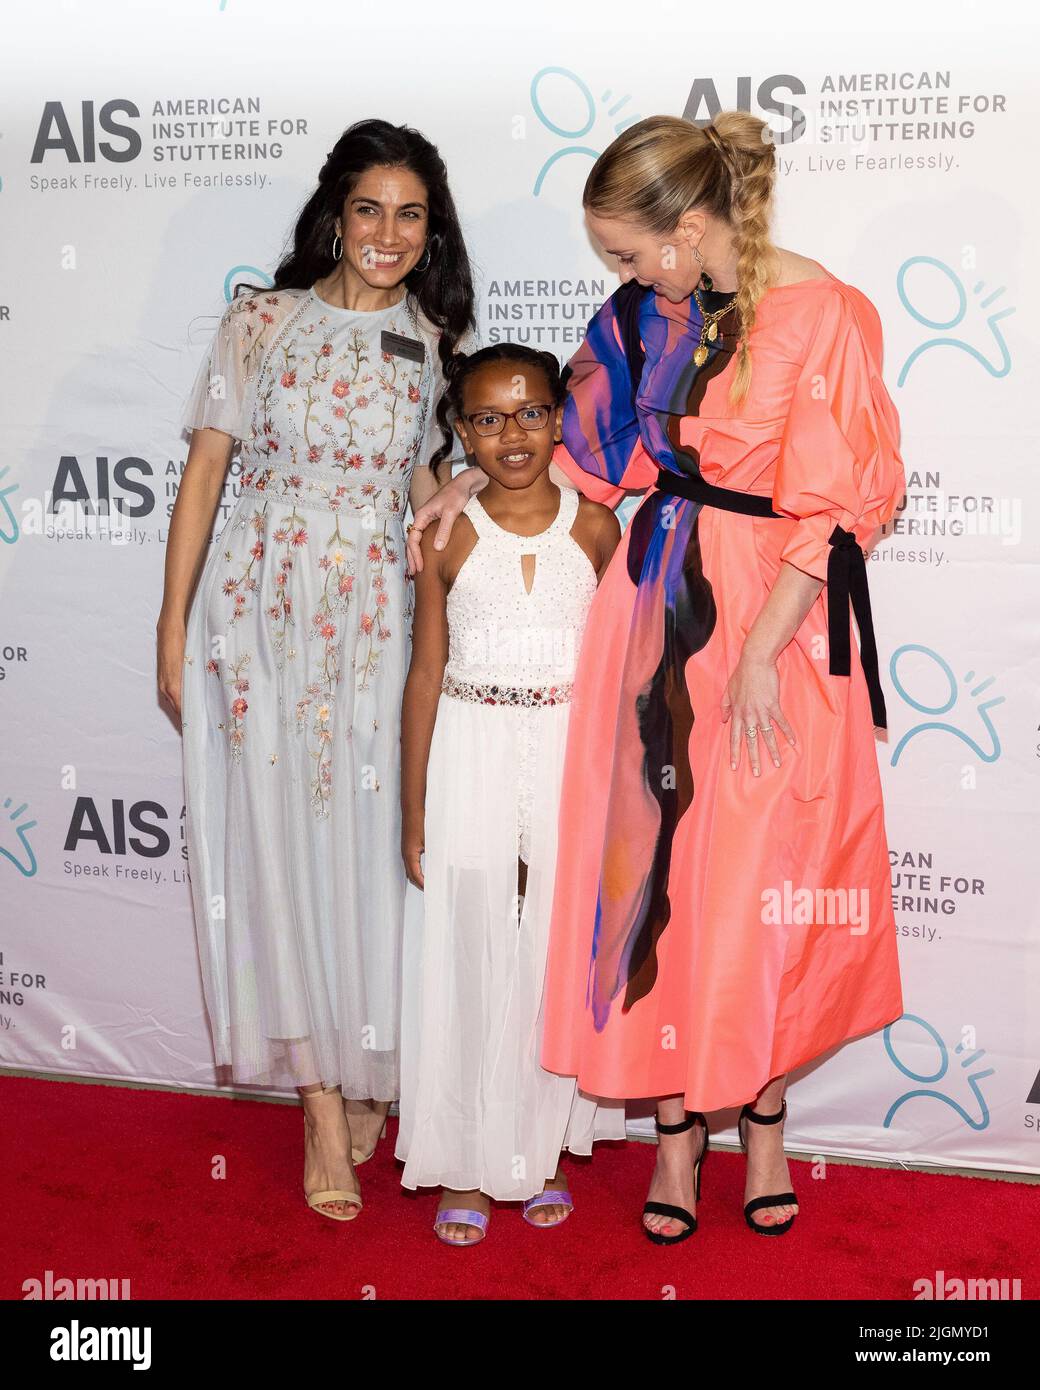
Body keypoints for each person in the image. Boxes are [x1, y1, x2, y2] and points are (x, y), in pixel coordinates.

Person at [405, 112, 905, 1244]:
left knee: (764, 880)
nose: (620, 277)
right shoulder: (646, 316)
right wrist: (451, 490)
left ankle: (763, 1125)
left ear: (685, 230)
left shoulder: (820, 311)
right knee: (657, 871)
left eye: (628, 255)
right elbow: (576, 448)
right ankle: (675, 1133)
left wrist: (768, 653)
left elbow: (836, 503)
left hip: (774, 614)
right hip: (654, 603)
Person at [156, 118, 478, 1221]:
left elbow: (431, 482)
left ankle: (369, 1056)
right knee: (281, 841)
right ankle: (316, 1098)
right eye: (367, 209)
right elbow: (204, 475)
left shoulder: (434, 341)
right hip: (257, 606)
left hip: (376, 617)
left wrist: (469, 487)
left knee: (366, 843)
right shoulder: (259, 321)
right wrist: (171, 628)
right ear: (334, 214)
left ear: (430, 232)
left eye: (410, 215)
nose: (386, 234)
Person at [395, 344, 626, 1245]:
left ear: (560, 418)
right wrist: (411, 811)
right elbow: (422, 678)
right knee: (471, 939)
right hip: (470, 745)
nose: (513, 433)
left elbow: (617, 678)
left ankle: (534, 1147)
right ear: (462, 434)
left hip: (568, 753)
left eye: (530, 412)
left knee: (551, 952)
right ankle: (464, 1157)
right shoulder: (447, 534)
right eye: (488, 420)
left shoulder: (597, 528)